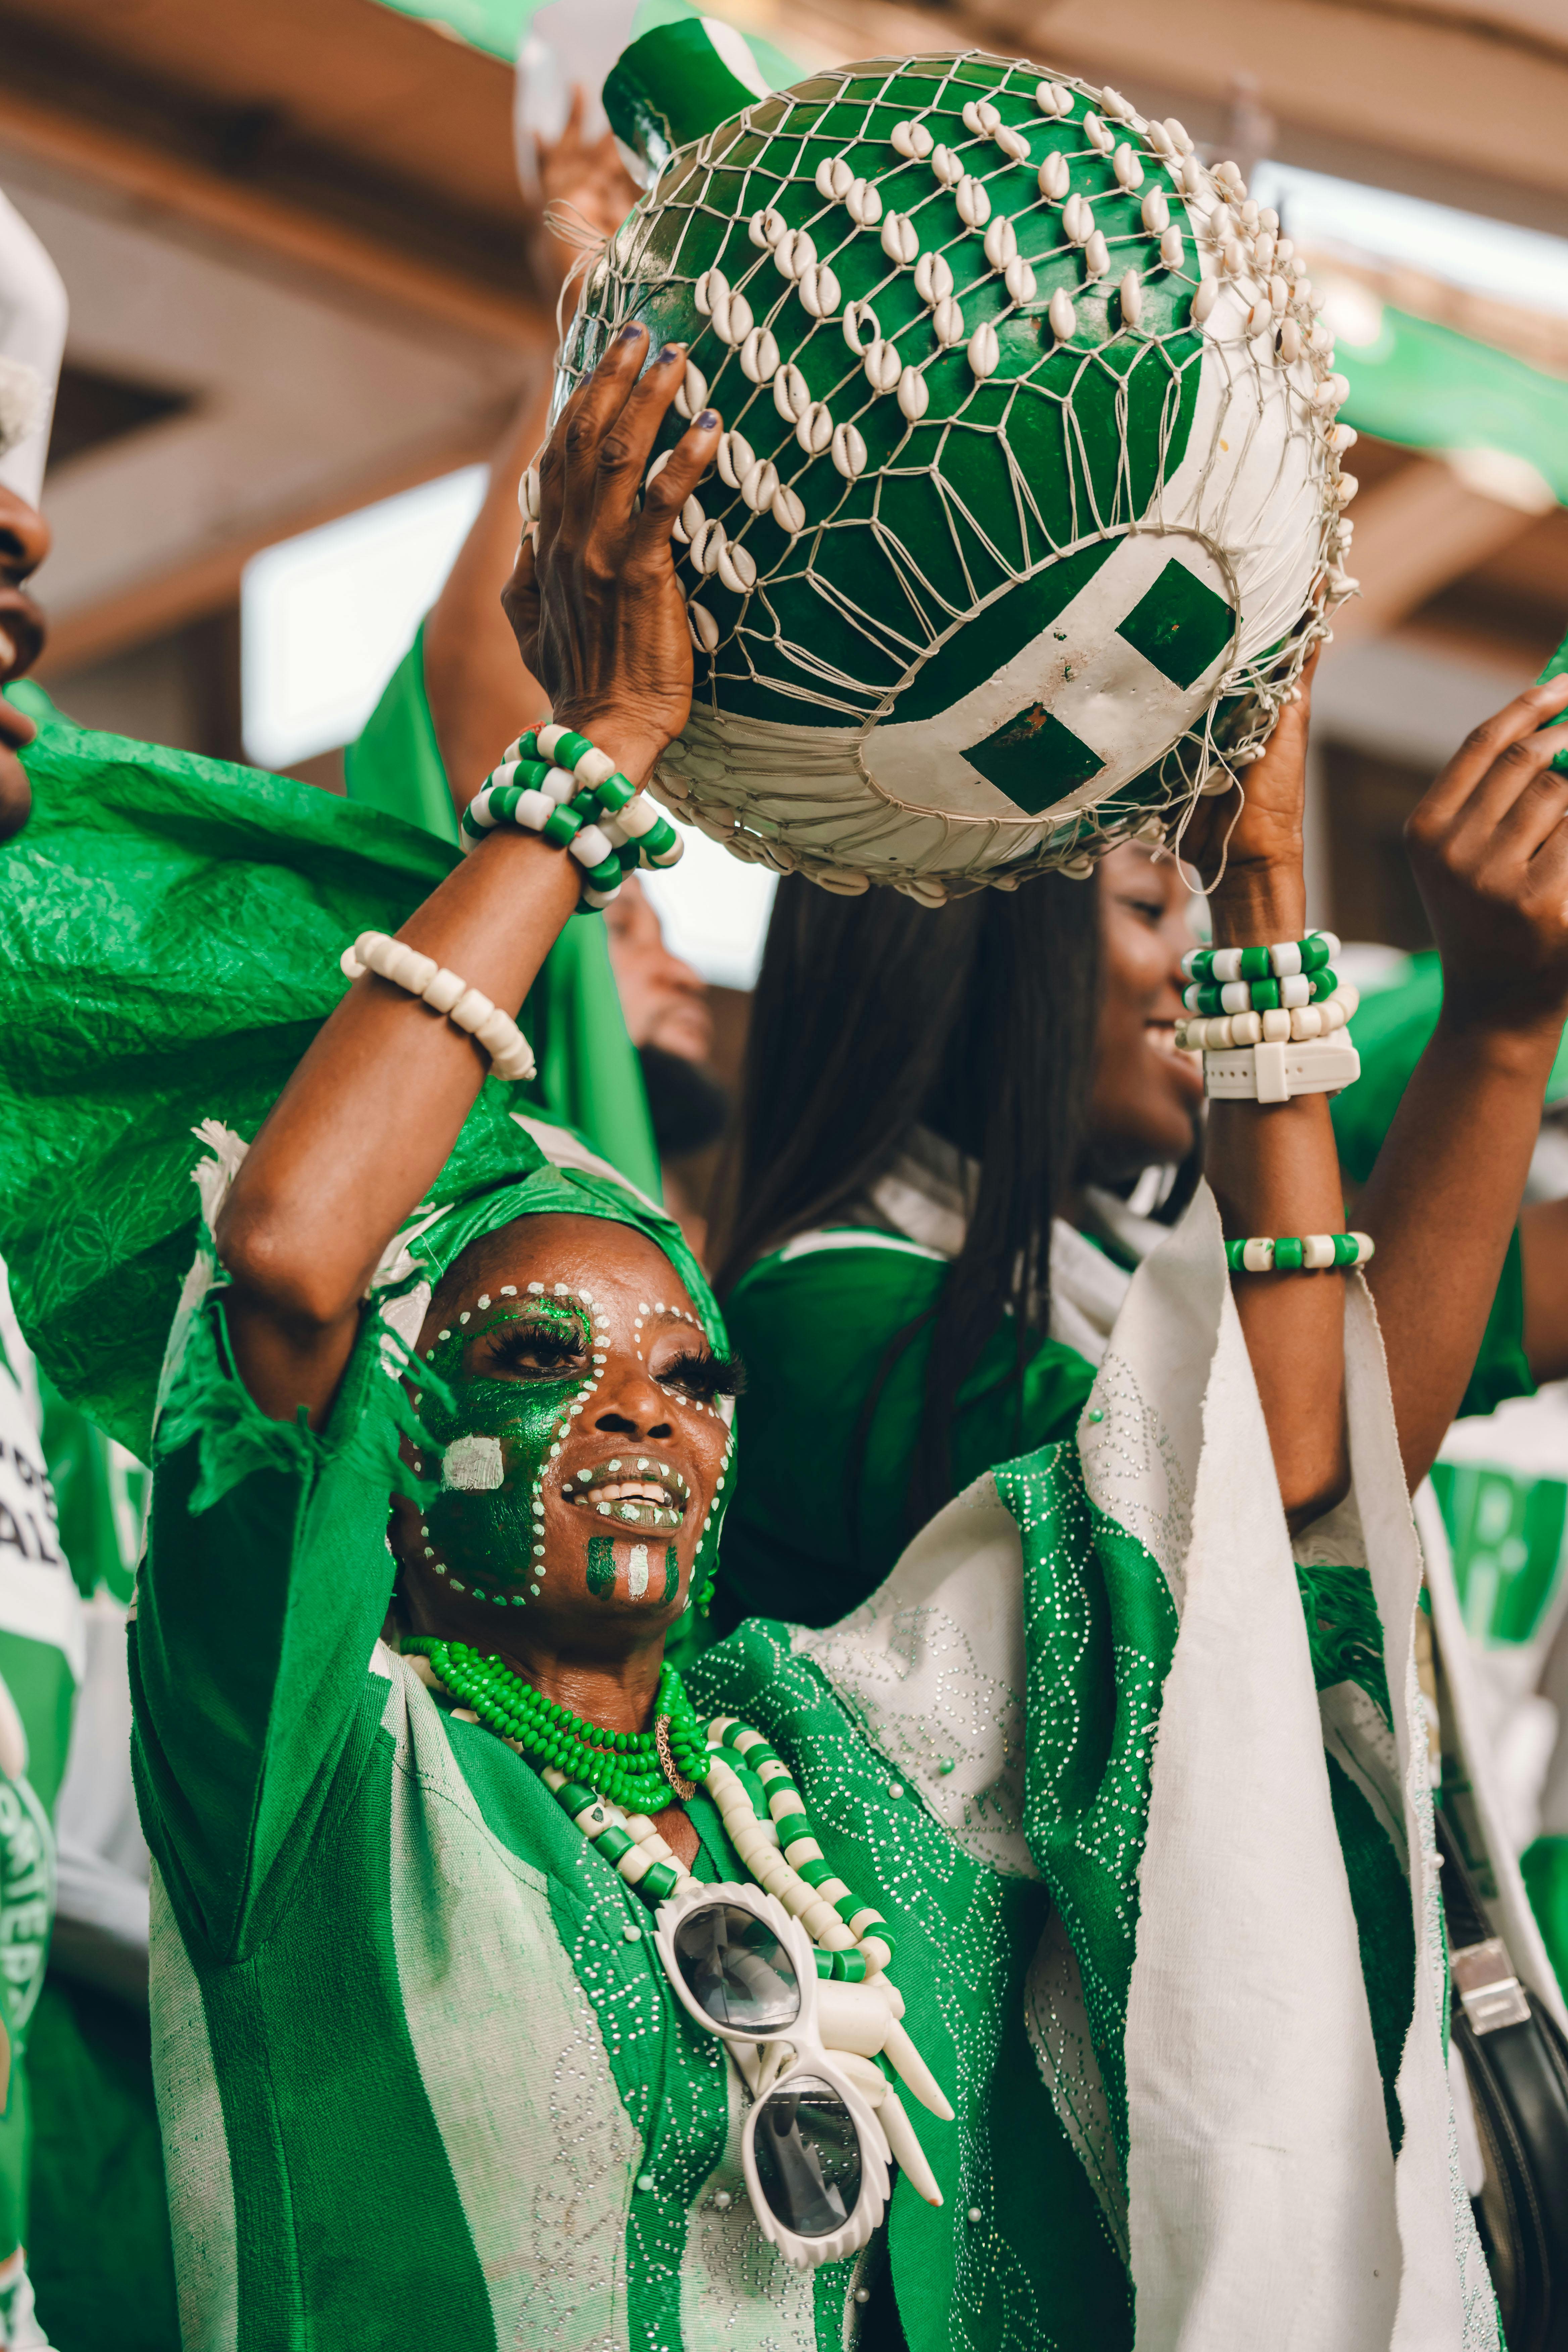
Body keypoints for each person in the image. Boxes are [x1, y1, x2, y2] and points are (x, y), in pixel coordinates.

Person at [1, 318, 1535, 2344]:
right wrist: (600, 756)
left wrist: (1256, 886)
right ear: (392, 1433)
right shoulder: (306, 1773)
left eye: (685, 1369)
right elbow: (287, 1266)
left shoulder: (827, 1754)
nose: (641, 1404)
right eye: (540, 1357)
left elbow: (1256, 1512)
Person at [710, 835, 1198, 1630]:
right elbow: (1255, 1511)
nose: (1196, 971)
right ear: (965, 943)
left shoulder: (1127, 1263)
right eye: (1147, 908)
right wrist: (1478, 1041)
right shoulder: (822, 1312)